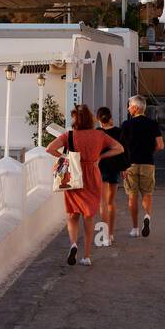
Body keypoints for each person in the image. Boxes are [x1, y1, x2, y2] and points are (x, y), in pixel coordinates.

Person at [46, 105, 124, 267]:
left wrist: (65, 157)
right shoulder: (99, 135)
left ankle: (73, 243)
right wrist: (101, 156)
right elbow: (119, 148)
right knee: (88, 216)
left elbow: (49, 148)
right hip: (93, 176)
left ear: (75, 120)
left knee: (72, 214)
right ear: (90, 119)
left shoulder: (69, 135)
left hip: (74, 175)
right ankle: (87, 255)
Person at [119, 95, 164, 238]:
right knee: (147, 194)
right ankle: (147, 216)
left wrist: (122, 166)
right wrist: (150, 151)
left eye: (130, 106)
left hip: (130, 165)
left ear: (136, 108)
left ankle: (135, 228)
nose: (128, 108)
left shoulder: (126, 124)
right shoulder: (153, 124)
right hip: (148, 164)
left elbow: (121, 147)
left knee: (132, 197)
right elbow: (160, 145)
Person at [95, 106, 128, 247]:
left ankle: (105, 235)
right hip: (115, 168)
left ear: (98, 119)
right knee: (111, 202)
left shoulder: (96, 133)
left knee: (102, 203)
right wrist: (124, 168)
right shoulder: (119, 131)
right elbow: (123, 151)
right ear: (110, 118)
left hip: (100, 168)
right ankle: (111, 234)